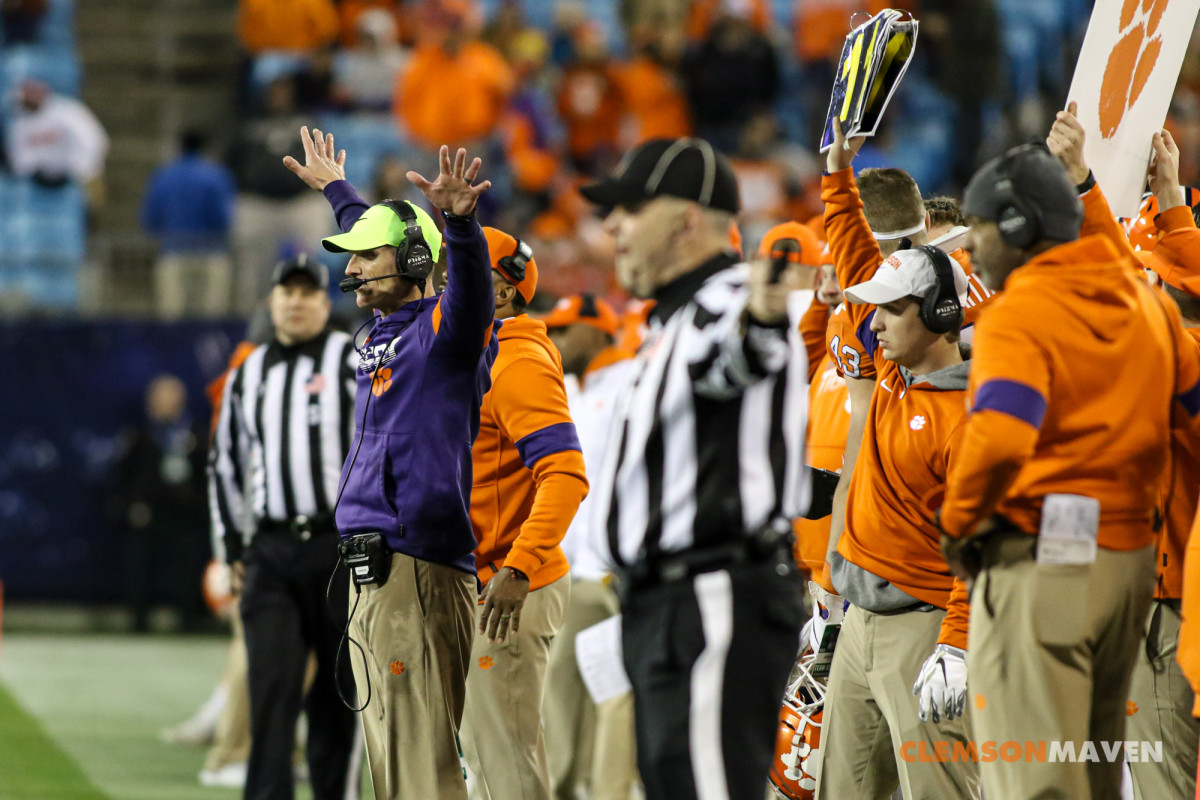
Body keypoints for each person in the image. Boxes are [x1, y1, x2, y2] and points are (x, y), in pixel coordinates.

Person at [937, 142, 1200, 800]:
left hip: (1044, 561)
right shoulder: (1150, 309)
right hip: (1132, 567)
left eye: (981, 230)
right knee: (1095, 775)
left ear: (1021, 225)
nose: (971, 250)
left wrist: (961, 521)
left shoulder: (1020, 313)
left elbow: (1001, 436)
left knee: (1035, 779)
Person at [581, 137, 810, 800]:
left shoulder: (726, 298)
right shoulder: (669, 321)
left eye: (629, 209)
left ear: (685, 220)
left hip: (712, 592)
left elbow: (742, 349)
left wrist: (762, 320)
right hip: (670, 602)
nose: (612, 227)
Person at [285, 128, 499, 800]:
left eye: (364, 258)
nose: (348, 271)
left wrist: (459, 227)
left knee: (419, 760)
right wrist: (338, 194)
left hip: (414, 561)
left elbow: (469, 298)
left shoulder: (443, 336)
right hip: (376, 563)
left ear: (411, 260)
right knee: (393, 756)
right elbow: (378, 238)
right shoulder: (385, 330)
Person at [1048, 105, 1200, 800]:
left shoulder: (1178, 361)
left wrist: (1083, 187)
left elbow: (1122, 294)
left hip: (1163, 608)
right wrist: (1170, 203)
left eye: (1157, 281)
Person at [816, 240, 980, 798]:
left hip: (925, 627)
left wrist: (955, 645)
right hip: (860, 619)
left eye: (891, 309)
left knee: (938, 791)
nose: (875, 324)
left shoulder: (969, 422)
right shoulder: (892, 374)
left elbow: (977, 552)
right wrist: (839, 173)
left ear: (939, 315)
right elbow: (856, 251)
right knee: (839, 790)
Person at [208, 253, 361, 800]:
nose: (295, 301)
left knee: (338, 699)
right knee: (270, 690)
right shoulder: (249, 372)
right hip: (270, 548)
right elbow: (225, 463)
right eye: (286, 292)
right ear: (272, 302)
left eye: (306, 292)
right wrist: (232, 547)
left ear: (325, 303)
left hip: (336, 548)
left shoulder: (352, 359)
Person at [459, 227, 588, 800]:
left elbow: (565, 474)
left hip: (508, 588)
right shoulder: (477, 352)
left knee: (507, 766)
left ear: (504, 292)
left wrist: (520, 566)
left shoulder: (515, 360)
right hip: (484, 580)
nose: (446, 281)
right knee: (485, 762)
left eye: (462, 271)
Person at [540, 294, 640, 800]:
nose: (555, 340)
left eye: (564, 329)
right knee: (561, 695)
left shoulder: (631, 383)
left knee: (614, 697)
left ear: (599, 329)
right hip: (573, 571)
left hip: (615, 571)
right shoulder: (572, 393)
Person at [115, 374, 209, 633]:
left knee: (189, 569)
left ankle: (190, 622)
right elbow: (122, 476)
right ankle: (138, 623)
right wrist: (130, 506)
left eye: (170, 398)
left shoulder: (196, 435)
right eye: (158, 398)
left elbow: (208, 475)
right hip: (149, 514)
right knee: (140, 569)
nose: (164, 403)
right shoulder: (138, 435)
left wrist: (200, 506)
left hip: (185, 515)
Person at [140, 130, 238, 319]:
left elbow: (151, 218)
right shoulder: (217, 176)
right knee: (211, 320)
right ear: (206, 148)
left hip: (173, 252)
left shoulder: (163, 176)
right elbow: (223, 218)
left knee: (171, 319)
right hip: (211, 252)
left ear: (180, 147)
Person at [7, 78, 108, 190]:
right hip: (37, 183)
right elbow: (19, 161)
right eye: (28, 94)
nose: (32, 97)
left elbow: (93, 140)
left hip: (74, 178)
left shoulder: (68, 111)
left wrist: (83, 170)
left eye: (34, 92)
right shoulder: (18, 122)